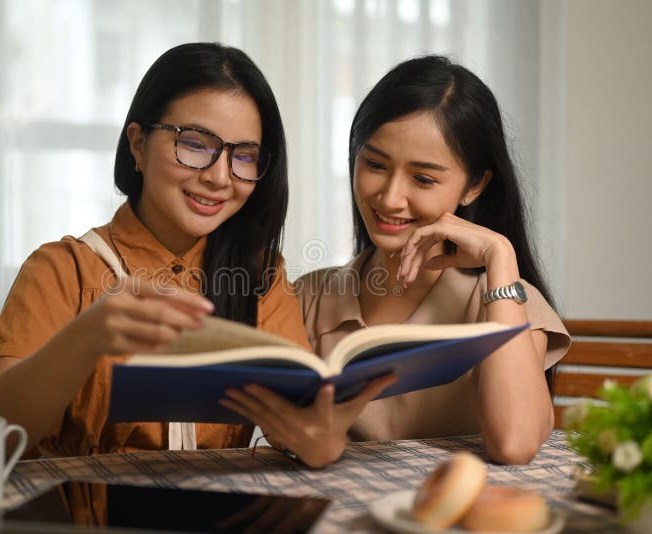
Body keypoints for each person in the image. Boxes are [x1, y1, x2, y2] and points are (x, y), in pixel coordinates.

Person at [0, 42, 393, 460]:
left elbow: (305, 434)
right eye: (194, 143)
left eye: (243, 156)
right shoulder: (62, 270)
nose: (219, 177)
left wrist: (319, 440)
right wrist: (85, 339)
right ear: (138, 144)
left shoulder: (260, 276)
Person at [225, 55, 570, 466]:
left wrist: (501, 256)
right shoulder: (308, 297)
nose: (389, 198)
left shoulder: (506, 300)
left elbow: (514, 445)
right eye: (374, 164)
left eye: (423, 179)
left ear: (474, 185)